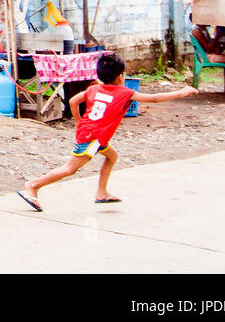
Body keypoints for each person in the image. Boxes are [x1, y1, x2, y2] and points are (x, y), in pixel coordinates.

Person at [17, 53, 197, 211]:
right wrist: (181, 92)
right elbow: (155, 98)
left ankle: (102, 192)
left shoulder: (93, 88)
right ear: (120, 77)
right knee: (71, 168)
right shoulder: (125, 92)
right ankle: (33, 185)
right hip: (93, 137)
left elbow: (73, 101)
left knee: (111, 157)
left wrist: (79, 122)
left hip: (92, 134)